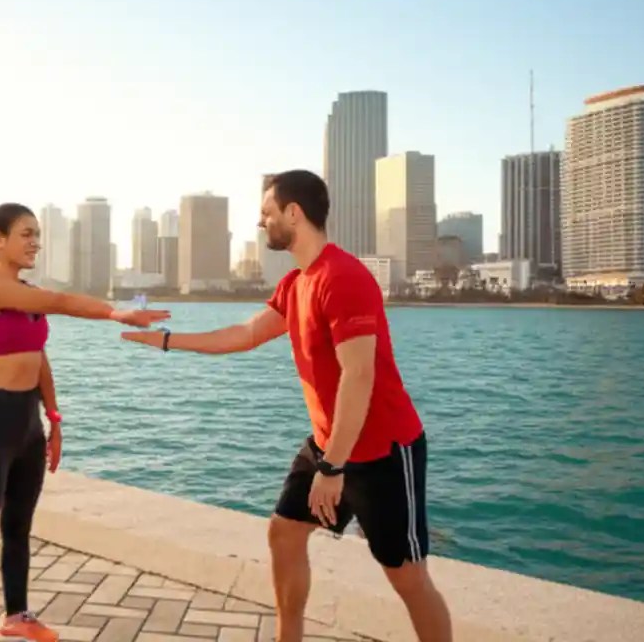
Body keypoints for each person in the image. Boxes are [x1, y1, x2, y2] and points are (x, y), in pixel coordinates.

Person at [120, 171, 452, 642]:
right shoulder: (298, 283)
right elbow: (246, 334)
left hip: (380, 451)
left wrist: (333, 467)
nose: (261, 223)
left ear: (293, 213)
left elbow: (359, 377)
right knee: (284, 533)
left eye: (266, 214)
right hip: (328, 446)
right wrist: (168, 341)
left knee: (408, 579)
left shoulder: (344, 277)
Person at [0, 203, 170, 642]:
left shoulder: (24, 293)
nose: (35, 243)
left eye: (37, 234)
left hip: (26, 426)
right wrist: (118, 312)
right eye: (26, 234)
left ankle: (17, 615)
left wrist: (54, 418)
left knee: (18, 529)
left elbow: (39, 358)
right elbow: (60, 301)